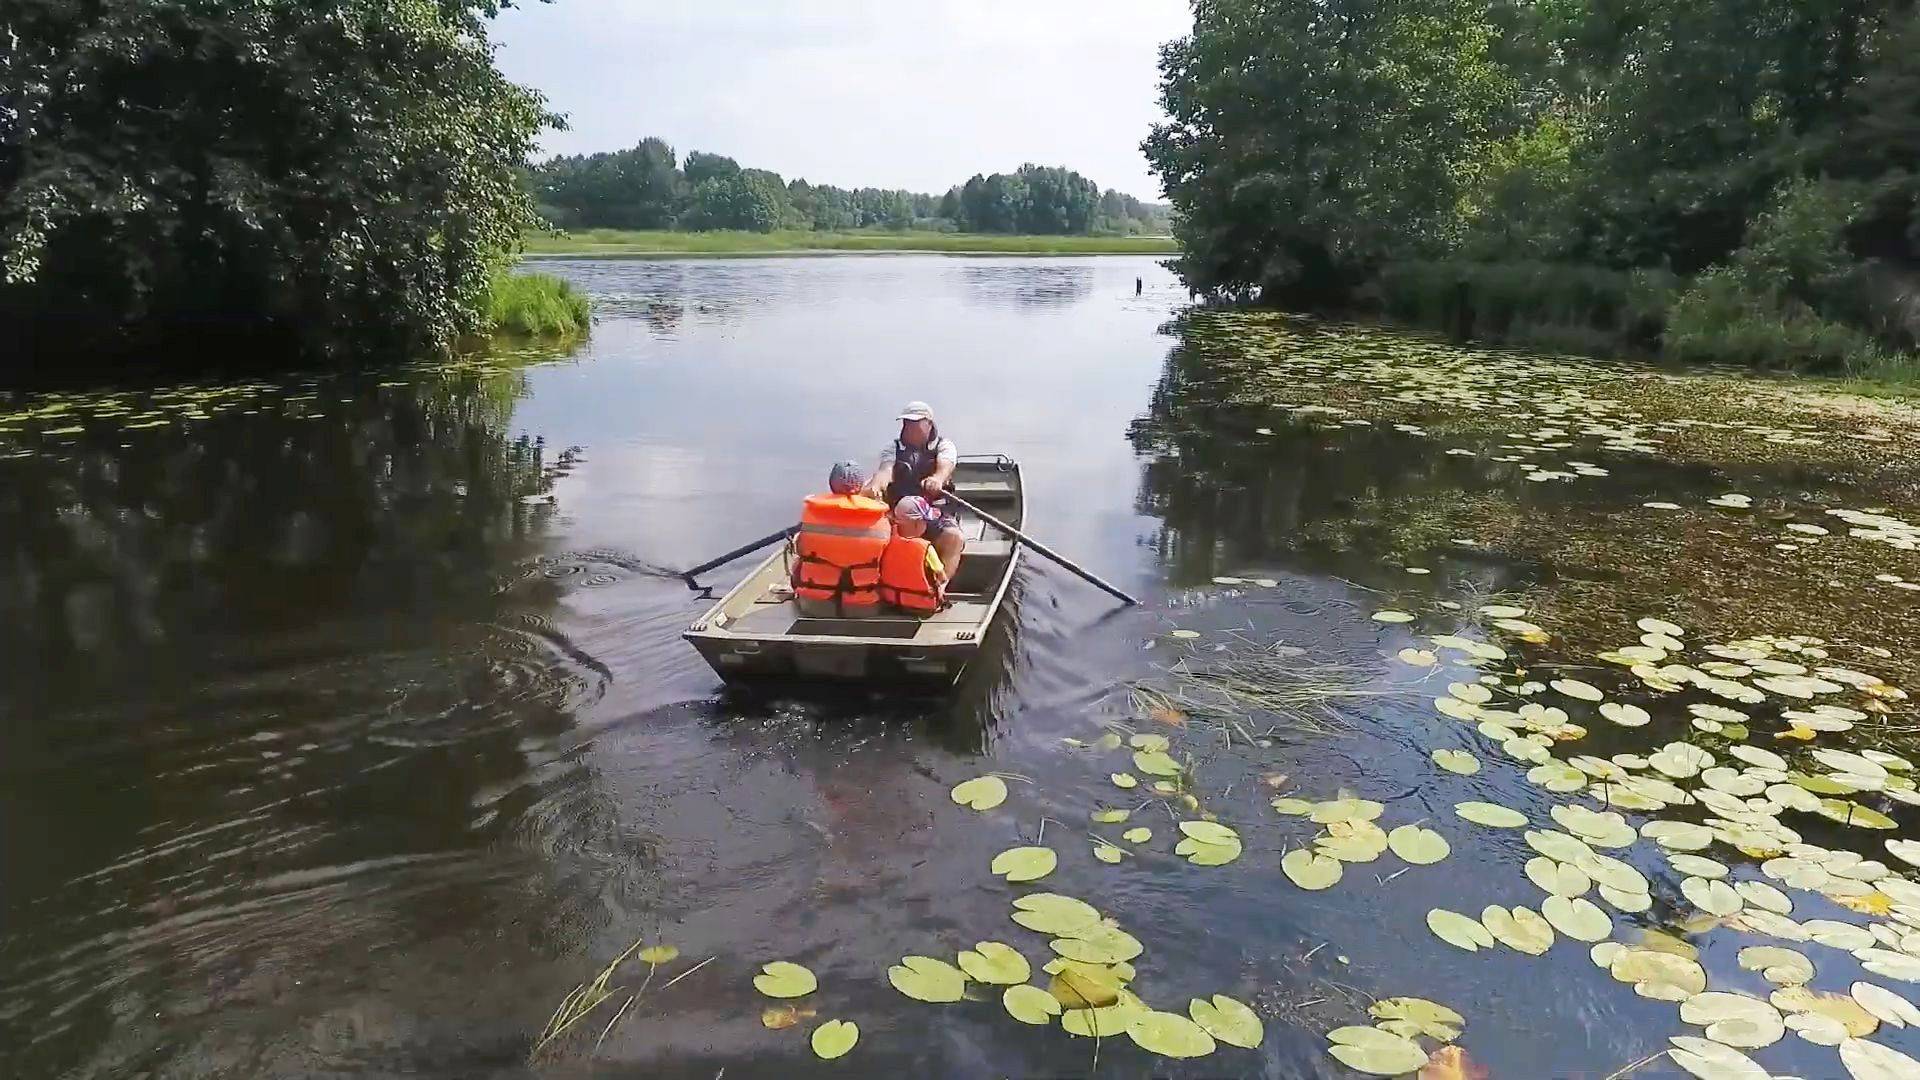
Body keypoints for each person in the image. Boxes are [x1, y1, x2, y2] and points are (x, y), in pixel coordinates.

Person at [861, 401, 964, 582]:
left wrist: (937, 480)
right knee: (872, 532)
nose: (910, 427)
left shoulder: (944, 446)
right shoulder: (892, 447)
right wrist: (876, 485)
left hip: (934, 511)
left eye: (916, 423)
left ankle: (938, 589)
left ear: (929, 424)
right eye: (907, 423)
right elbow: (885, 470)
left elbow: (945, 467)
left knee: (954, 538)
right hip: (901, 511)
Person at [790, 461, 890, 618]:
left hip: (816, 605)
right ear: (860, 485)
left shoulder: (811, 512)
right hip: (862, 606)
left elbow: (801, 549)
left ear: (831, 484)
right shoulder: (880, 518)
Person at [877, 496, 948, 615]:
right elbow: (942, 577)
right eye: (925, 522)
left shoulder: (886, 541)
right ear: (917, 523)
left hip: (891, 602)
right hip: (920, 607)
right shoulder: (926, 549)